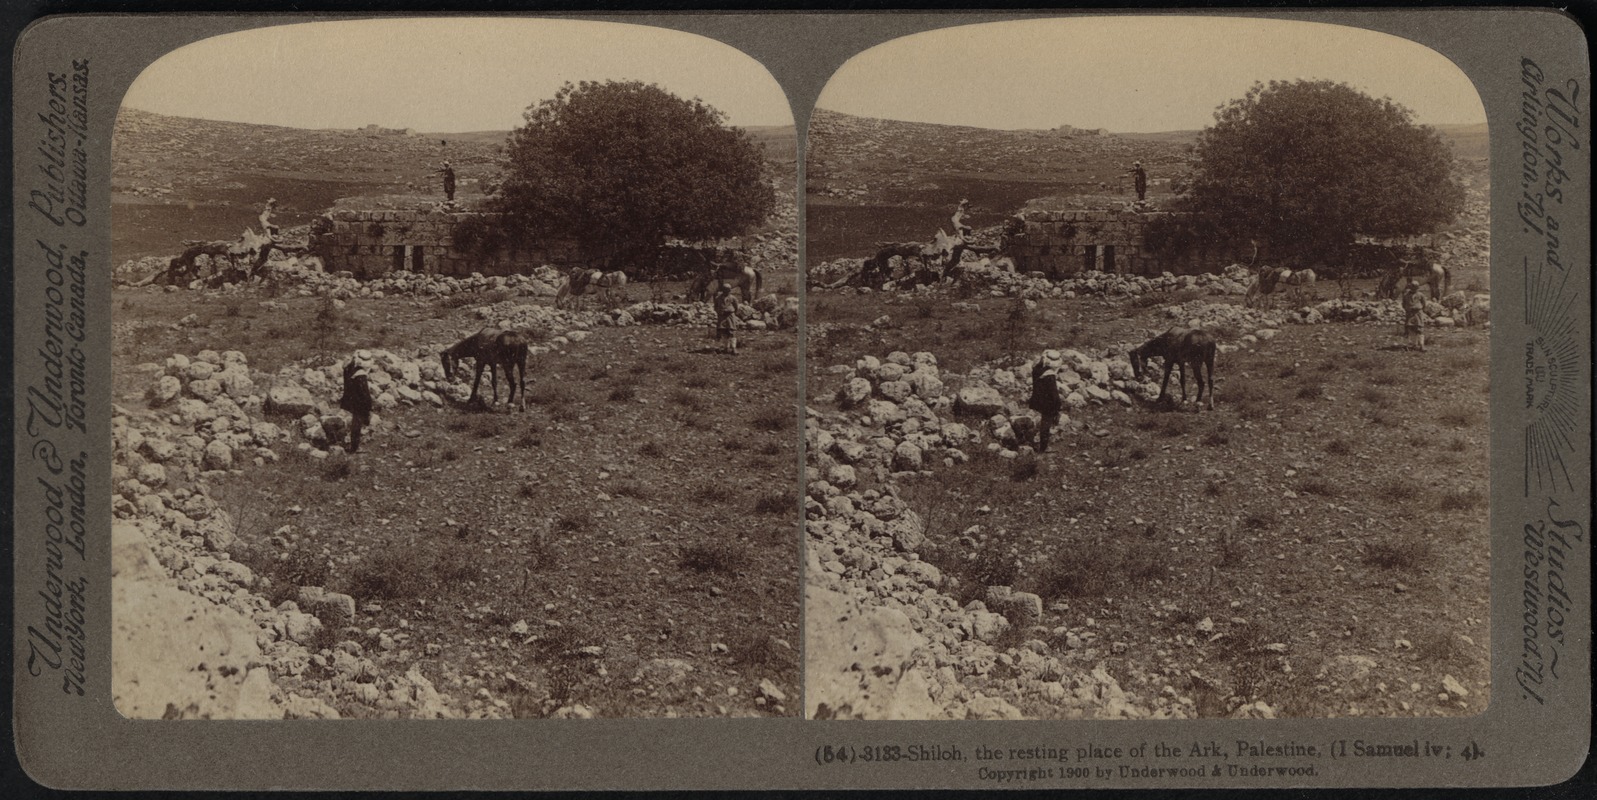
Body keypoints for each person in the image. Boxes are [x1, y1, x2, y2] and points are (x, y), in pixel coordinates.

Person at [1028, 351, 1064, 453]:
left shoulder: (1037, 370)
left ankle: (1035, 439)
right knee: (1046, 425)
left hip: (1037, 400)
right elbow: (1054, 394)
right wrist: (1058, 407)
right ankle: (1043, 448)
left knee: (1041, 421)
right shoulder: (1050, 375)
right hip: (1048, 404)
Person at [340, 351, 375, 453]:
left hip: (349, 399)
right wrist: (369, 408)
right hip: (359, 402)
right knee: (357, 424)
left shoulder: (349, 368)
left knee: (354, 422)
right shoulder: (361, 375)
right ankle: (354, 447)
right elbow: (365, 394)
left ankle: (352, 443)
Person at [713, 283, 739, 355]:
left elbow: (736, 307)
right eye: (726, 290)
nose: (728, 291)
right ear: (723, 290)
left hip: (730, 316)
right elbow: (715, 307)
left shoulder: (733, 298)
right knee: (721, 331)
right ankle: (722, 348)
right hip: (721, 316)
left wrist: (731, 312)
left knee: (731, 332)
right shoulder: (718, 298)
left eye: (729, 290)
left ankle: (734, 348)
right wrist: (719, 312)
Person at [1401, 280, 1427, 352]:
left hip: (1418, 313)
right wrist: (1408, 309)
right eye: (1413, 287)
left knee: (1419, 329)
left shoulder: (1421, 295)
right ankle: (1413, 345)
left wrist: (1420, 310)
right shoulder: (1406, 295)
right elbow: (1403, 304)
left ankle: (1422, 345)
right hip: (1410, 313)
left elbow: (1424, 304)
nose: (1414, 289)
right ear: (1410, 287)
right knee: (1411, 328)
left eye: (1416, 287)